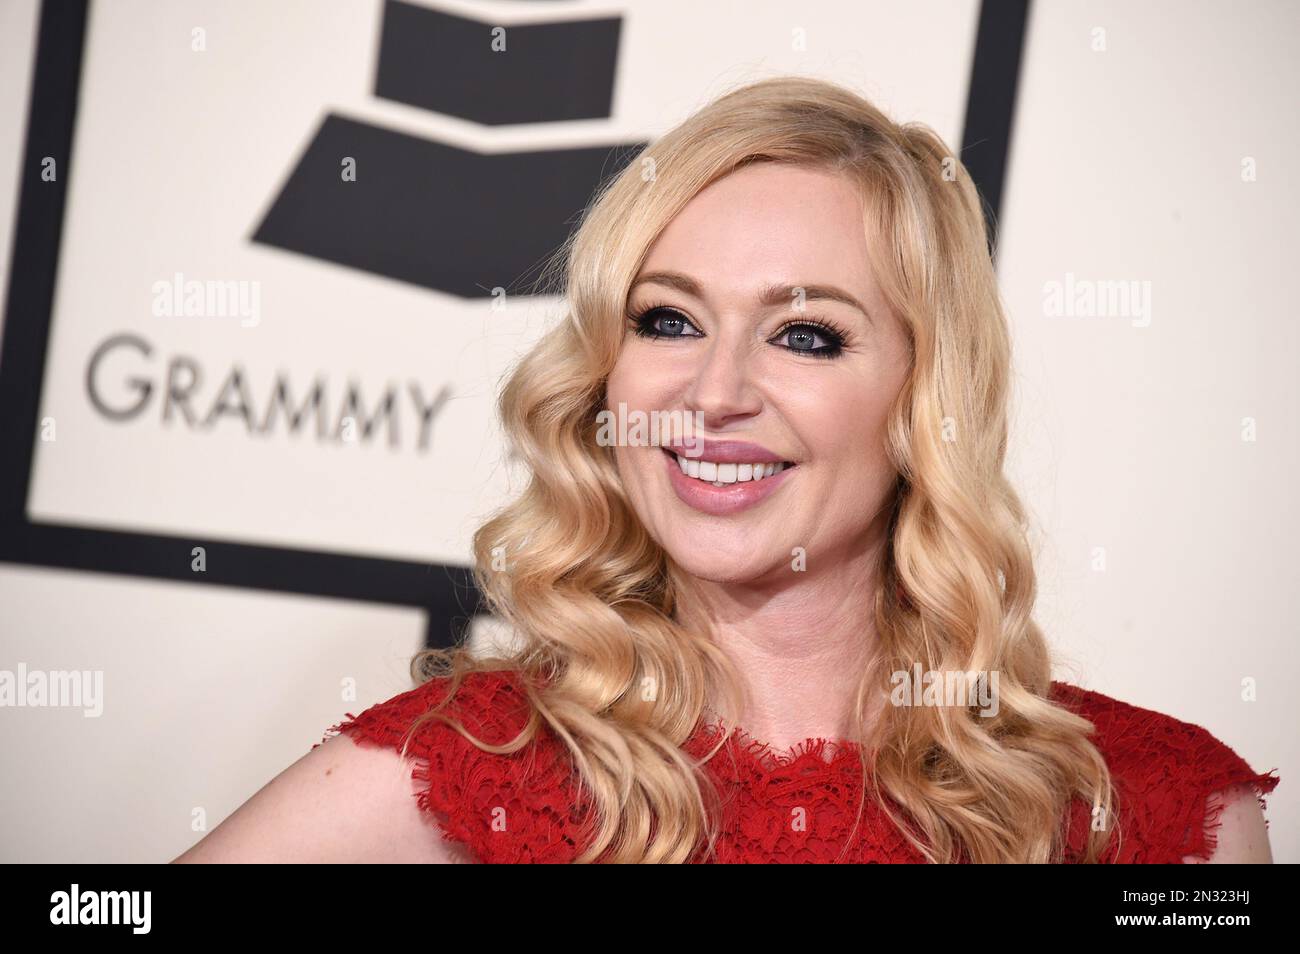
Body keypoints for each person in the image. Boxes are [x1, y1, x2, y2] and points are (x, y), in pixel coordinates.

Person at [173, 75, 1278, 864]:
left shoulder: (1155, 811)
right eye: (667, 320)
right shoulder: (462, 770)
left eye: (806, 336)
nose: (711, 393)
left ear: (920, 400)